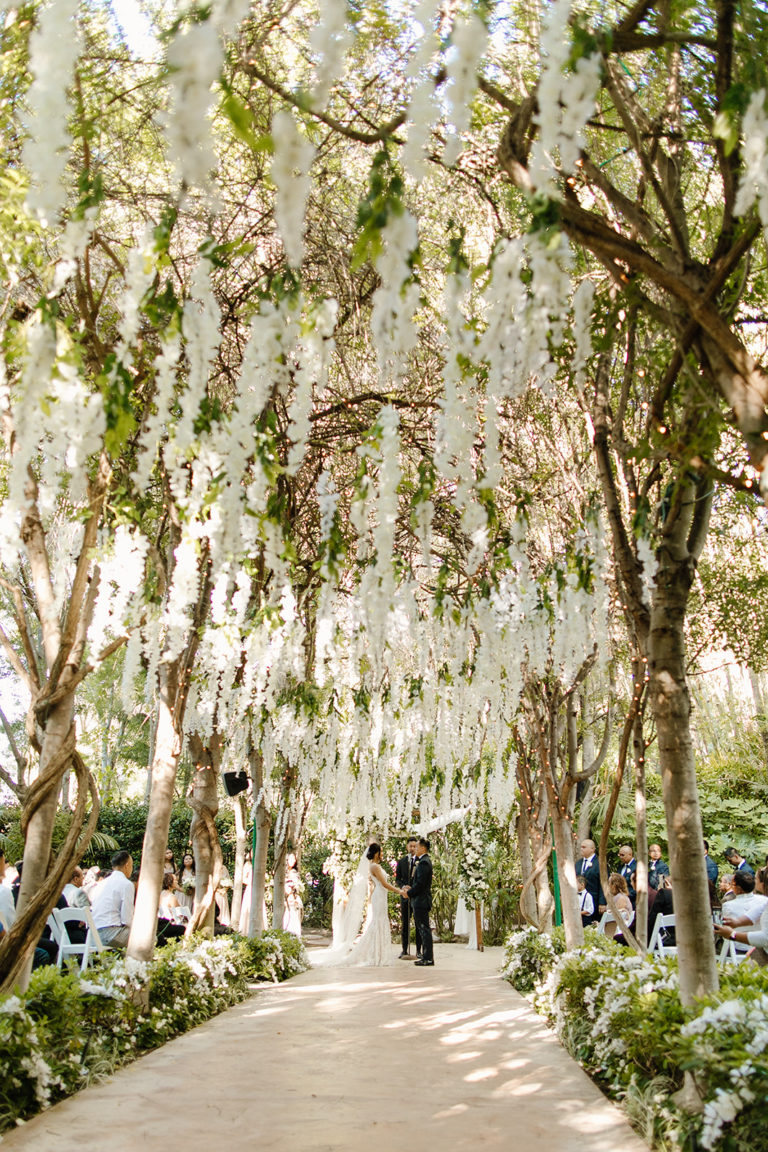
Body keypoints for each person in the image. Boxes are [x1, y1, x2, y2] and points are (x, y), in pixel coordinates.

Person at [316, 842, 405, 967]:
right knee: (378, 922)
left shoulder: (375, 866)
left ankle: (378, 953)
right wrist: (399, 891)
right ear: (376, 853)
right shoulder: (374, 867)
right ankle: (375, 953)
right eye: (381, 851)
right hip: (379, 895)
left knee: (380, 921)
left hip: (380, 895)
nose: (382, 854)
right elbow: (384, 884)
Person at [91, 851, 134, 947]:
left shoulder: (101, 884)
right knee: (149, 936)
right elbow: (127, 920)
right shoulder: (126, 884)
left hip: (93, 935)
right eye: (132, 865)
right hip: (111, 934)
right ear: (127, 865)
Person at [405, 838, 434, 966]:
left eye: (416, 847)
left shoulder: (423, 863)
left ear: (422, 848)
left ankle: (428, 958)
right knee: (423, 930)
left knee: (424, 930)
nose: (414, 849)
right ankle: (426, 957)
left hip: (421, 902)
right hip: (420, 900)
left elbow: (421, 885)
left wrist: (409, 893)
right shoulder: (423, 861)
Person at [396, 836, 419, 959]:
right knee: (405, 923)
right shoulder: (402, 861)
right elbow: (397, 879)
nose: (413, 848)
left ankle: (419, 950)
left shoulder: (420, 861)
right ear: (407, 847)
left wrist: (413, 888)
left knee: (418, 923)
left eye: (415, 846)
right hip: (405, 897)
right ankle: (404, 949)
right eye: (411, 846)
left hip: (416, 897)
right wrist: (403, 887)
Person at [576, 839, 602, 922]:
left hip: (594, 900)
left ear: (592, 849)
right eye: (581, 847)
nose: (581, 849)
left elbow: (603, 884)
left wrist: (602, 902)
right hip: (579, 902)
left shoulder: (599, 863)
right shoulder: (578, 863)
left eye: (584, 847)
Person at [603, 873, 634, 940]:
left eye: (609, 883)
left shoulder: (621, 898)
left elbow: (615, 917)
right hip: (612, 929)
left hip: (618, 931)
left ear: (614, 885)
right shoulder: (615, 897)